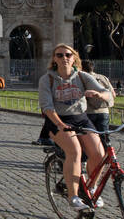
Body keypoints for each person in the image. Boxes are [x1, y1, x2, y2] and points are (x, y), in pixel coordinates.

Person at [39, 44, 111, 210]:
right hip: (56, 120)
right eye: (59, 55)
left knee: (99, 154)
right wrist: (60, 124)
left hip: (81, 118)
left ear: (74, 58)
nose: (64, 58)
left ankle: (91, 188)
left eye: (68, 55)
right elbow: (47, 107)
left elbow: (106, 91)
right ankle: (73, 197)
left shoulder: (82, 76)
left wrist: (100, 95)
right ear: (54, 59)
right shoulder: (47, 79)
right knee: (75, 151)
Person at [83, 59, 116, 136]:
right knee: (104, 137)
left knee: (90, 139)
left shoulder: (82, 78)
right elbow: (113, 94)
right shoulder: (103, 77)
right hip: (104, 111)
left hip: (88, 112)